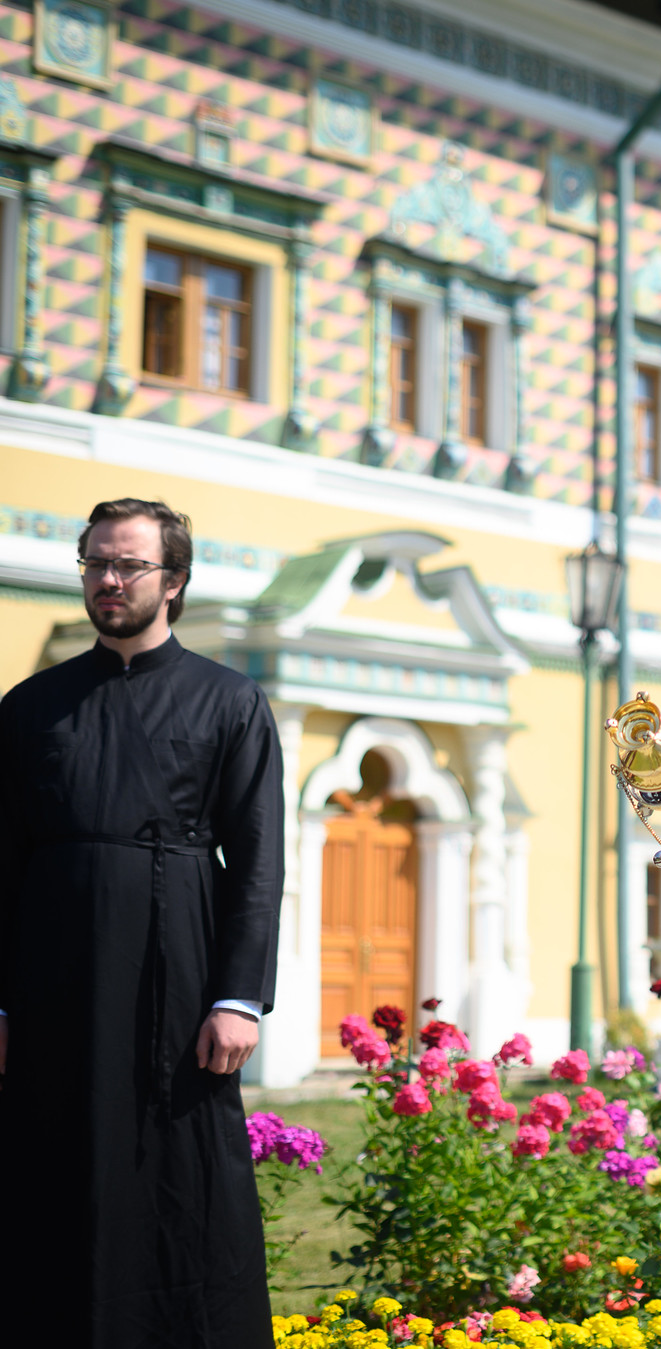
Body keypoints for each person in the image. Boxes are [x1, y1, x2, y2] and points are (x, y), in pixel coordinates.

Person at [0, 499, 283, 1345]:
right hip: (51, 984)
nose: (109, 580)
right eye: (95, 563)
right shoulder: (30, 705)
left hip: (180, 984)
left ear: (175, 580)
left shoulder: (229, 702)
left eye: (128, 565)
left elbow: (259, 863)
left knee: (176, 1177)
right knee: (49, 1171)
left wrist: (240, 997)